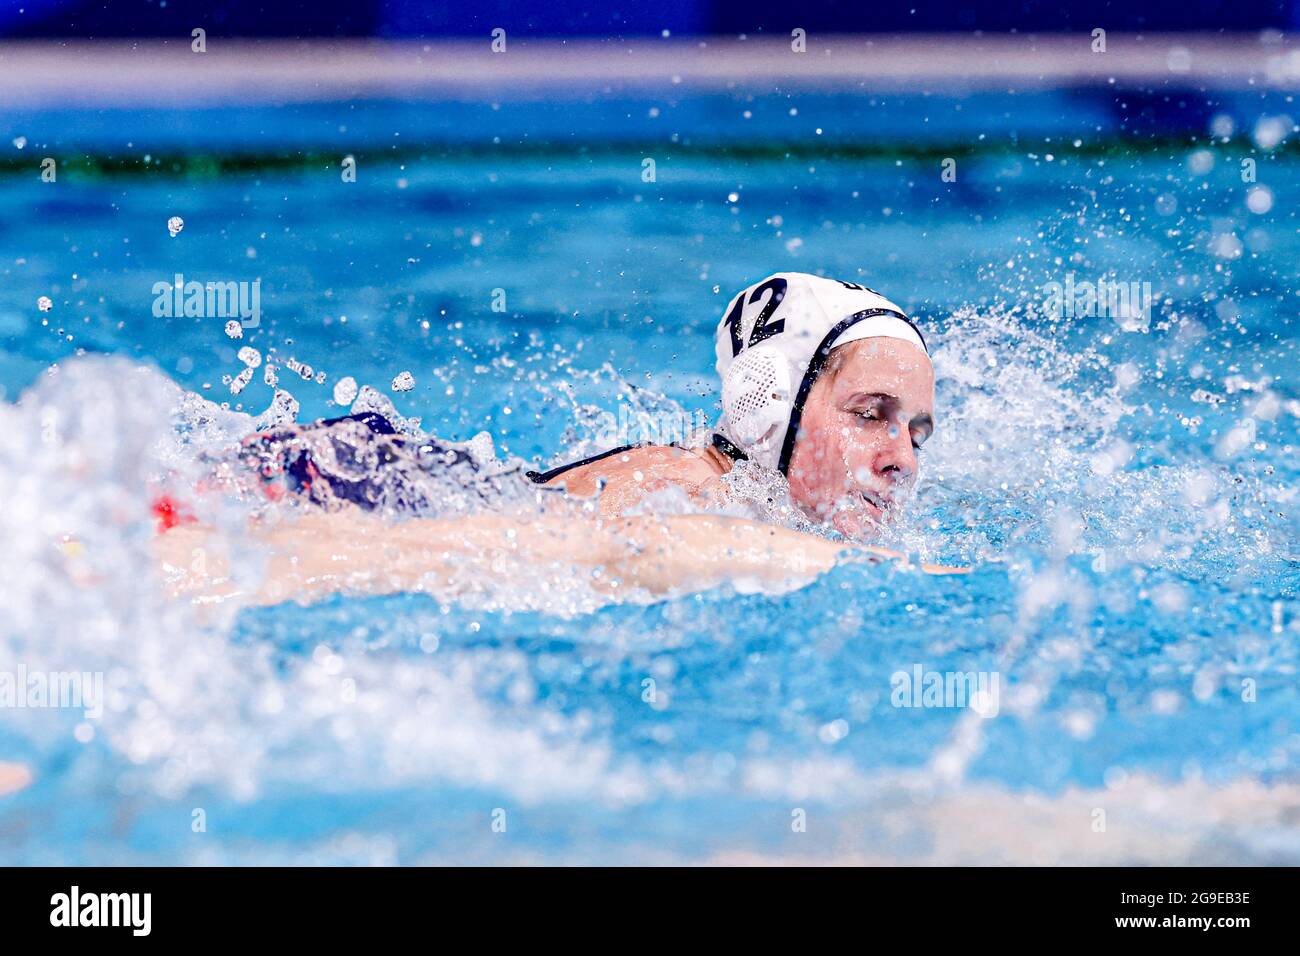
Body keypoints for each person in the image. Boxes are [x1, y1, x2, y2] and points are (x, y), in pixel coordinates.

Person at [156, 272, 962, 607]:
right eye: (869, 415)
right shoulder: (683, 492)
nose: (900, 459)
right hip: (344, 479)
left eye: (916, 433)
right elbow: (458, 550)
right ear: (769, 411)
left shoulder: (730, 498)